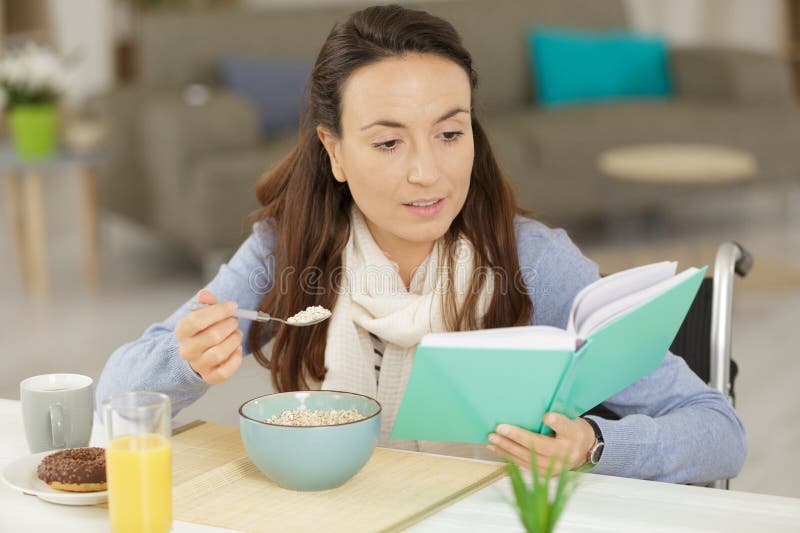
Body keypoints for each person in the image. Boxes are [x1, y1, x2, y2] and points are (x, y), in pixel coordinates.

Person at [96, 4, 746, 483]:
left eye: (449, 133)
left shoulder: (534, 263)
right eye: (387, 141)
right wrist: (181, 359)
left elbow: (718, 431)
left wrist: (594, 443)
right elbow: (116, 394)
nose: (427, 172)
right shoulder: (284, 251)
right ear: (334, 150)